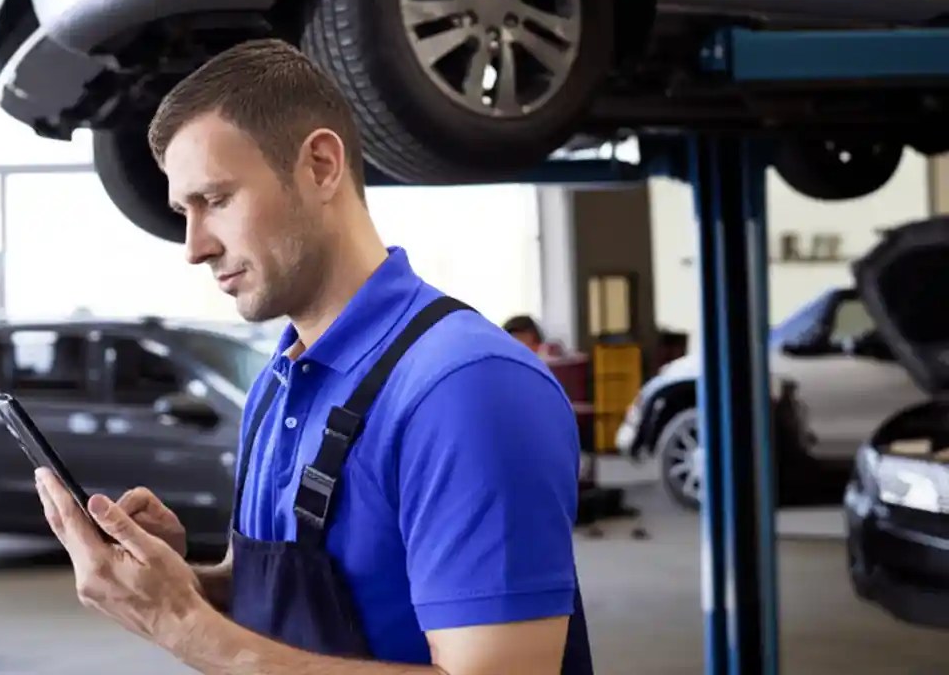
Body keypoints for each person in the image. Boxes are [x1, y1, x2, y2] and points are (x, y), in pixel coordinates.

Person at [33, 39, 593, 675]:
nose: (193, 247)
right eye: (182, 212)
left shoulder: (466, 389)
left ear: (322, 165)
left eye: (215, 200)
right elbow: (283, 608)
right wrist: (180, 584)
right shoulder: (282, 381)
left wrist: (179, 626)